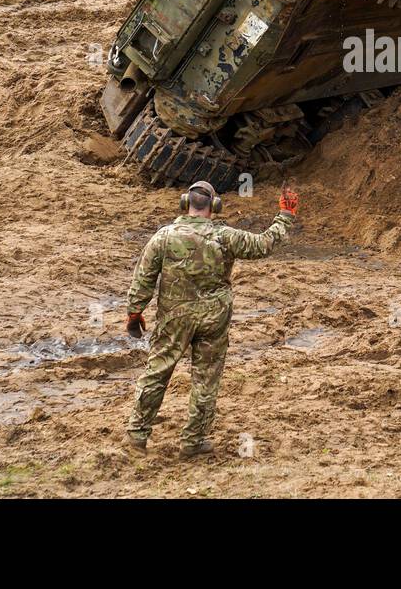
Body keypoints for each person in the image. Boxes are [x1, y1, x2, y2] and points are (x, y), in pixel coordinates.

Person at [124, 180, 298, 456]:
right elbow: (265, 244)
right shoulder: (225, 236)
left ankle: (136, 436)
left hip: (174, 318)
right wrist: (285, 215)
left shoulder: (164, 236)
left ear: (185, 203)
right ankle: (193, 442)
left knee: (156, 373)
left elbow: (143, 279)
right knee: (205, 380)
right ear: (214, 206)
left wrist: (135, 313)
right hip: (214, 319)